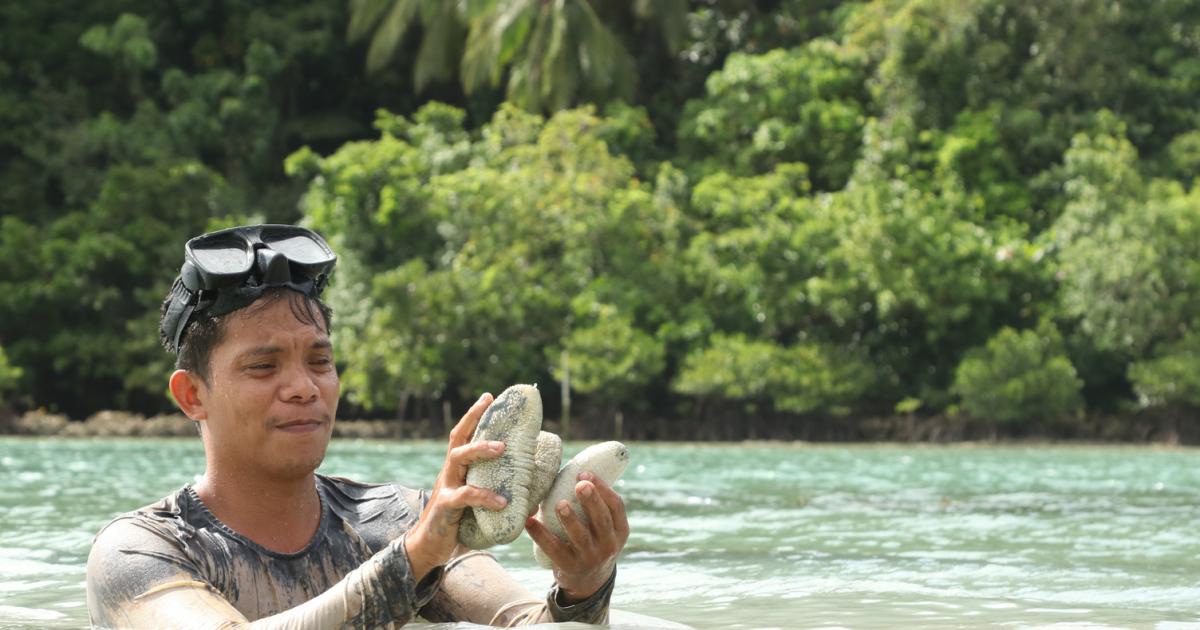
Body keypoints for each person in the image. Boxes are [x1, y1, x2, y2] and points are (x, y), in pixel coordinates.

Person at [86, 224, 629, 628]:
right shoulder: (141, 551)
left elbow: (524, 623)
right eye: (262, 366)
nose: (304, 386)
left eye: (319, 362)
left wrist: (582, 586)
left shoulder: (395, 521)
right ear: (192, 395)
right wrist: (418, 555)